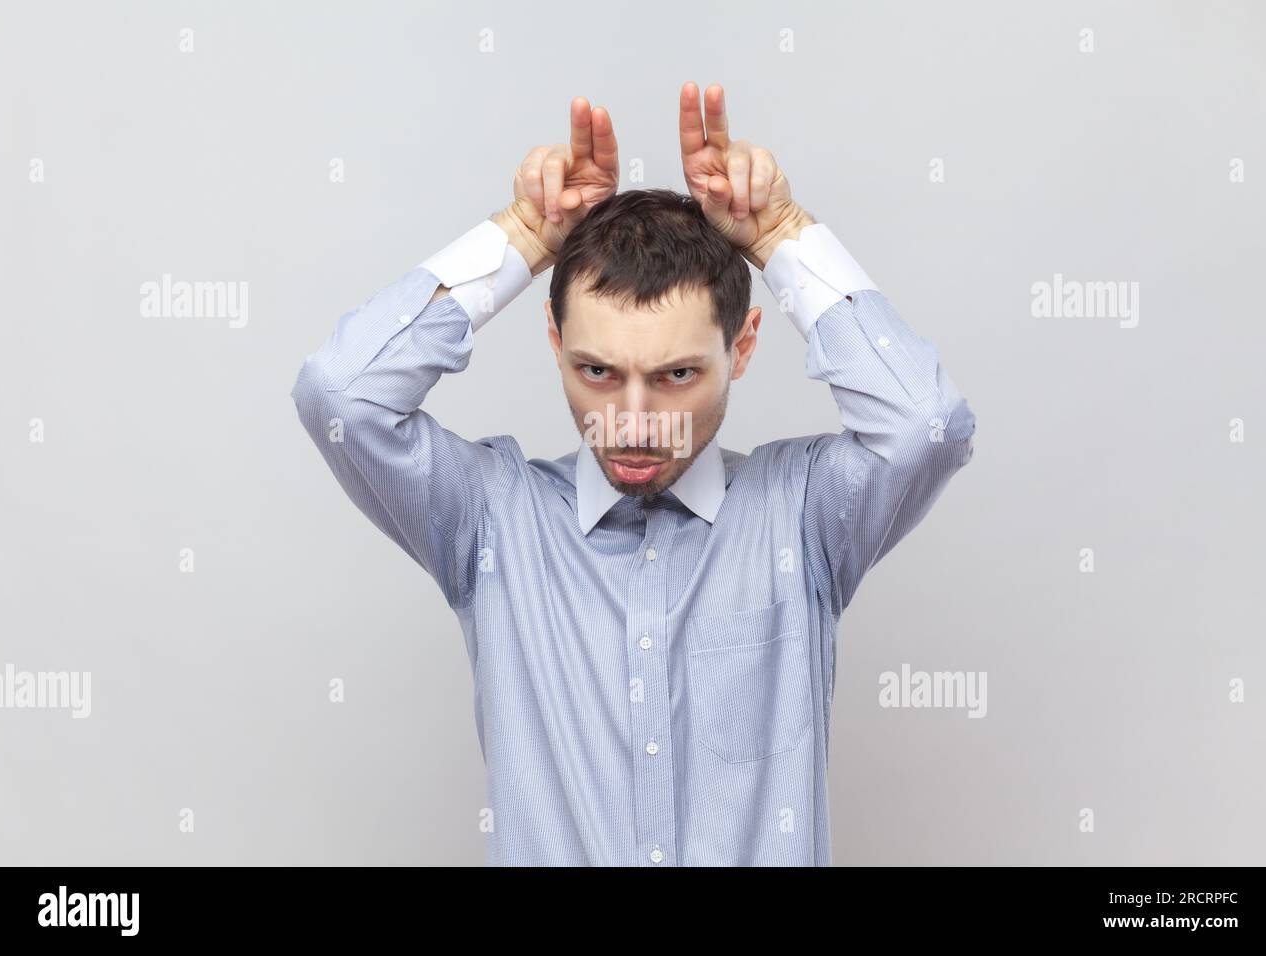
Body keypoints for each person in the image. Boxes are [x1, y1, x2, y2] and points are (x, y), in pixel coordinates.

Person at [291, 82, 977, 866]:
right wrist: (521, 236)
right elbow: (339, 391)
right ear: (553, 341)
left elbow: (927, 422)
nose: (634, 420)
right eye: (597, 371)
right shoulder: (492, 519)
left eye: (678, 374)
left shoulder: (805, 517)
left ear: (743, 348)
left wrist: (783, 235)